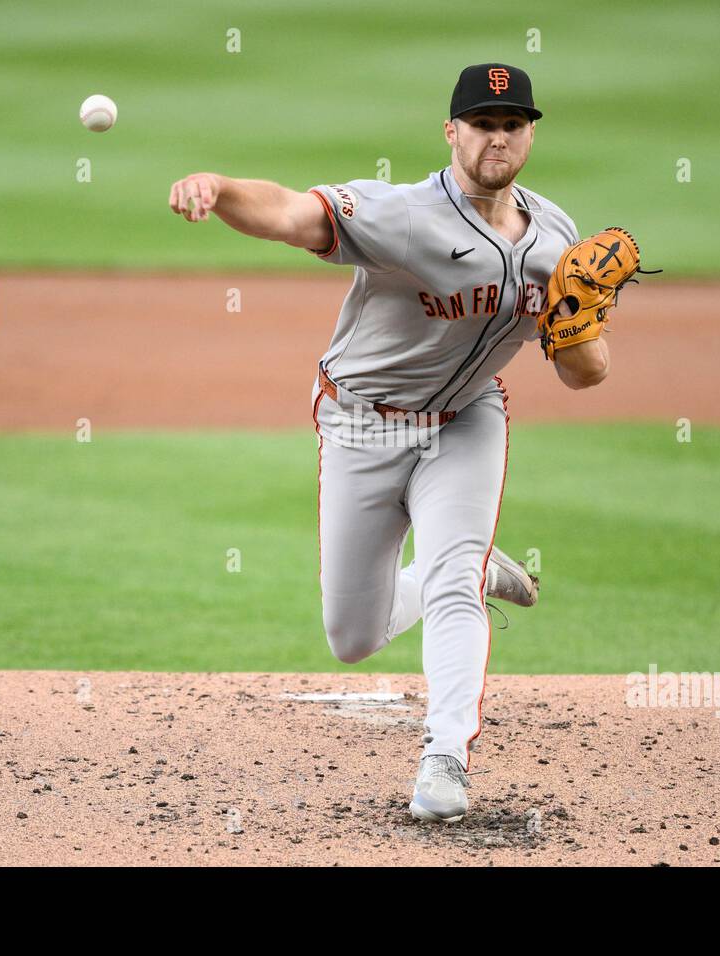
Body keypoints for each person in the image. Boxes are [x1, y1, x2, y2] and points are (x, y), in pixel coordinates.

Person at [169, 63, 608, 823]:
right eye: (481, 124)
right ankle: (472, 570)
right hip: (361, 426)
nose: (497, 138)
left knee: (448, 586)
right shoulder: (403, 214)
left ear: (530, 133)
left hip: (467, 423)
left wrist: (576, 321)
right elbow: (290, 213)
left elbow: (586, 375)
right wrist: (217, 185)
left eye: (511, 124)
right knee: (352, 635)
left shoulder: (557, 239)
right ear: (452, 133)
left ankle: (445, 759)